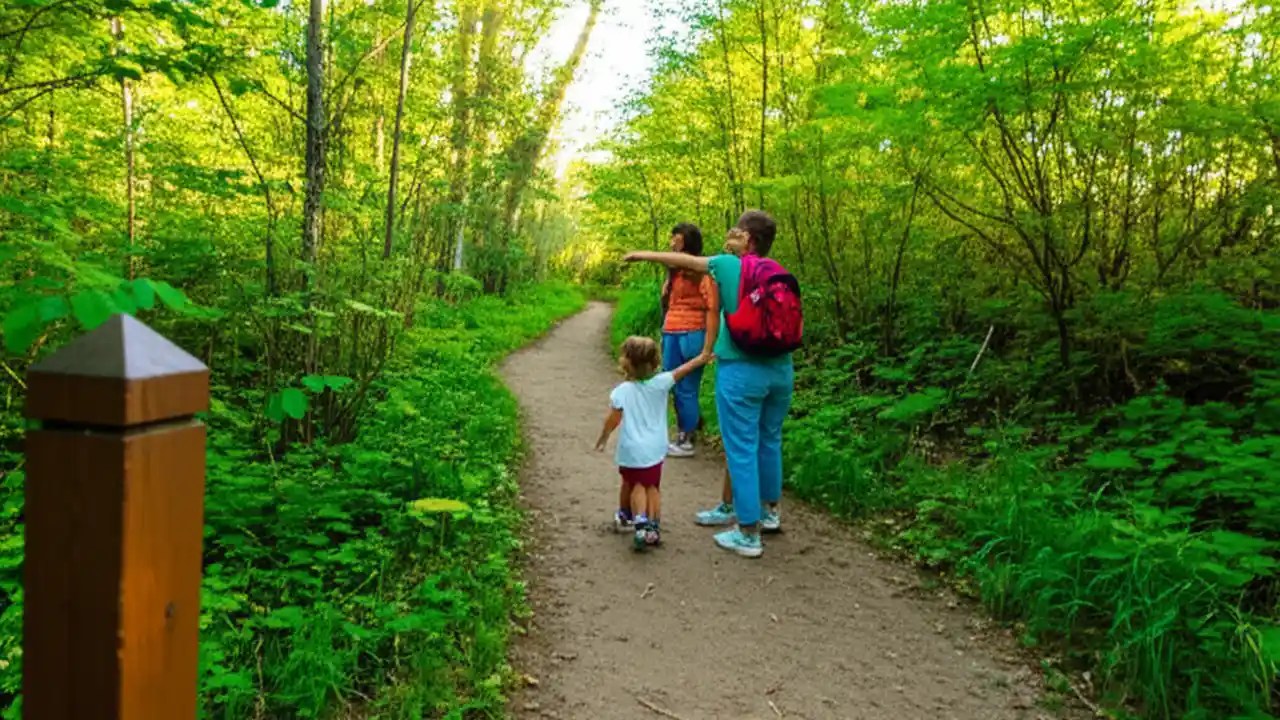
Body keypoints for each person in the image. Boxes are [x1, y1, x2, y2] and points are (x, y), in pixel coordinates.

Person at [624, 210, 794, 558]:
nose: (730, 234)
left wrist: (642, 255)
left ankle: (748, 533)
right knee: (769, 441)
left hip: (741, 371)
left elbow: (683, 260)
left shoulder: (730, 266)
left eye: (737, 231)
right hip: (780, 370)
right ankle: (770, 514)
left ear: (749, 240)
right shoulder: (779, 272)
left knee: (741, 448)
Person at [595, 336, 712, 551]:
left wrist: (604, 437)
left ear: (626, 363)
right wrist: (703, 357)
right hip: (656, 448)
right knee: (652, 486)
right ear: (655, 363)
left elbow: (613, 419)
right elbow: (683, 370)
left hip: (632, 449)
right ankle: (653, 527)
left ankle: (637, 522)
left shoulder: (622, 391)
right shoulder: (661, 383)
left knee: (635, 485)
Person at [659, 223, 718, 458]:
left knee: (686, 388)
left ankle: (686, 439)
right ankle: (688, 429)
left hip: (692, 334)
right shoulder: (675, 272)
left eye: (675, 238)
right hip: (672, 331)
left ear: (684, 241)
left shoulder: (702, 272)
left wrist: (708, 346)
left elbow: (712, 307)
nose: (671, 242)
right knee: (670, 383)